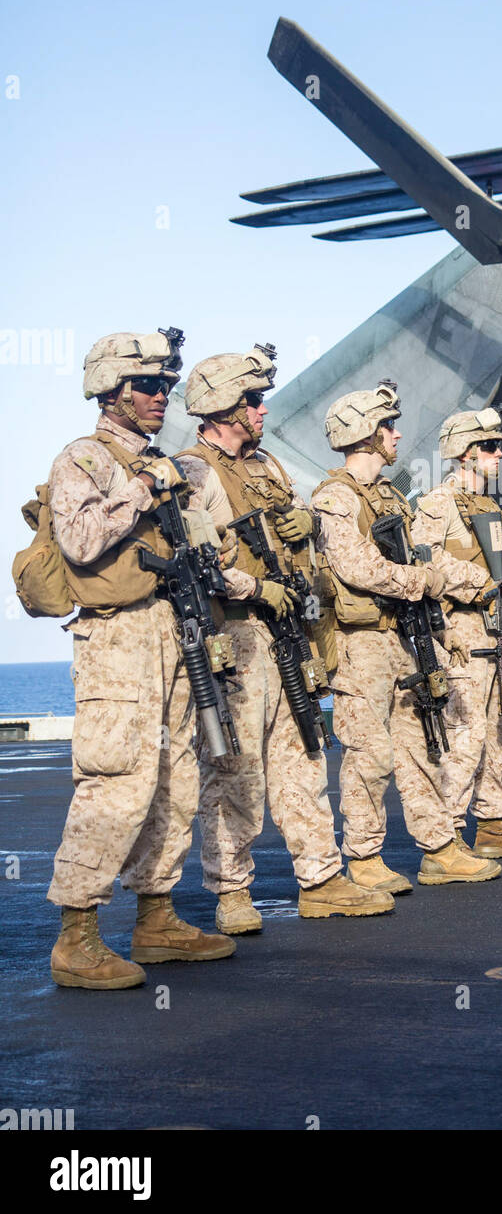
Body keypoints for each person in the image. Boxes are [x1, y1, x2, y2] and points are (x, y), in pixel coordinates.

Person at [177, 348, 393, 929]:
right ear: (224, 406)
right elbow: (195, 560)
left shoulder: (266, 466)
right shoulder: (194, 471)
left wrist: (305, 525)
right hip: (236, 634)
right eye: (251, 400)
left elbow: (294, 531)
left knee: (304, 755)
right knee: (235, 772)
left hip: (284, 633)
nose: (262, 408)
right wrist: (253, 587)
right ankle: (231, 894)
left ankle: (321, 879)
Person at [46, 330, 236, 989]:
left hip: (176, 630)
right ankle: (77, 937)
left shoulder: (174, 465)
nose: (162, 397)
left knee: (177, 779)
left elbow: (214, 552)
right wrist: (141, 489)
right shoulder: (85, 460)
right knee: (117, 781)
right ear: (111, 393)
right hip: (118, 640)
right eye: (148, 387)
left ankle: (157, 919)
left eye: (166, 386)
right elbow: (78, 539)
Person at [312, 382, 502, 890]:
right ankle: (365, 858)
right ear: (365, 434)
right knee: (369, 756)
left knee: (423, 747)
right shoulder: (335, 497)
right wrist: (425, 582)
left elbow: (419, 555)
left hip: (402, 638)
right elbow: (361, 568)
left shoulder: (389, 495)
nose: (397, 435)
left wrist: (470, 578)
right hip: (360, 645)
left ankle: (439, 848)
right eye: (388, 427)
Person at [412, 410, 502, 859]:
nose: (497, 454)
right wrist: (480, 586)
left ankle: (491, 823)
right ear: (466, 454)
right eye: (489, 447)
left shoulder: (493, 509)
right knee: (463, 735)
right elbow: (425, 559)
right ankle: (448, 832)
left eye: (497, 446)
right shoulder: (438, 504)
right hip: (462, 636)